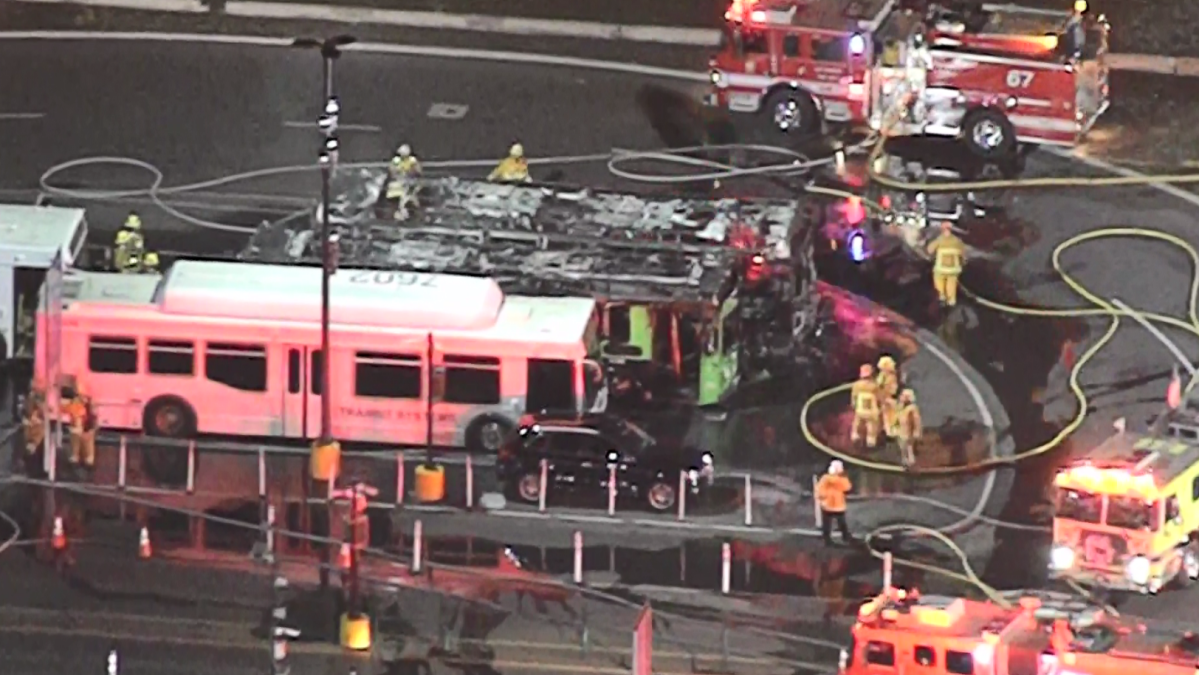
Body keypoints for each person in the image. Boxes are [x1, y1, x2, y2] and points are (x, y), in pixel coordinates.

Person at [926, 221, 965, 306]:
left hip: (941, 269)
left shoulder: (939, 240)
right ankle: (951, 301)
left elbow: (929, 250)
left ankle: (941, 297)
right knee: (951, 284)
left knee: (939, 282)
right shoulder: (957, 241)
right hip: (954, 269)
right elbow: (963, 254)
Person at [816, 460, 853, 546]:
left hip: (834, 505)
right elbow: (847, 487)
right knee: (833, 523)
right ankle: (837, 537)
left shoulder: (829, 478)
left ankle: (836, 537)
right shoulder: (830, 478)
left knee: (833, 523)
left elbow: (847, 488)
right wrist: (823, 498)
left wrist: (822, 498)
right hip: (831, 505)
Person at [65, 380, 97, 471]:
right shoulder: (78, 403)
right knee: (78, 450)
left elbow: (92, 417)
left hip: (84, 430)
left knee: (85, 452)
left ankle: (83, 463)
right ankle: (79, 462)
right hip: (79, 430)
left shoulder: (86, 404)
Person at [849, 363, 881, 449]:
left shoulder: (856, 385)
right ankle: (870, 439)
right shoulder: (875, 386)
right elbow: (879, 398)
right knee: (871, 424)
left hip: (860, 408)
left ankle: (855, 434)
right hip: (871, 409)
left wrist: (853, 404)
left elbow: (854, 397)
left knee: (857, 421)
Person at [387, 144, 422, 219]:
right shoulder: (396, 161)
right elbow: (392, 171)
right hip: (399, 184)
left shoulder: (412, 160)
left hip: (410, 184)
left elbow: (418, 171)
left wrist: (411, 172)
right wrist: (398, 173)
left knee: (412, 196)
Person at [896, 388, 923, 467]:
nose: (901, 397)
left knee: (909, 446)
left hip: (908, 431)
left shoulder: (912, 408)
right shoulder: (900, 407)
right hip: (901, 431)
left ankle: (911, 461)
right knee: (902, 447)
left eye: (904, 396)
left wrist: (917, 431)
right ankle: (904, 460)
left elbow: (917, 420)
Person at [876, 355, 900, 437]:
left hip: (888, 397)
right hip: (886, 398)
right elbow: (881, 388)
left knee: (890, 413)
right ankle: (889, 431)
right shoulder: (884, 377)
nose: (893, 364)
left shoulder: (889, 375)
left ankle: (889, 430)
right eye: (891, 363)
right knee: (889, 414)